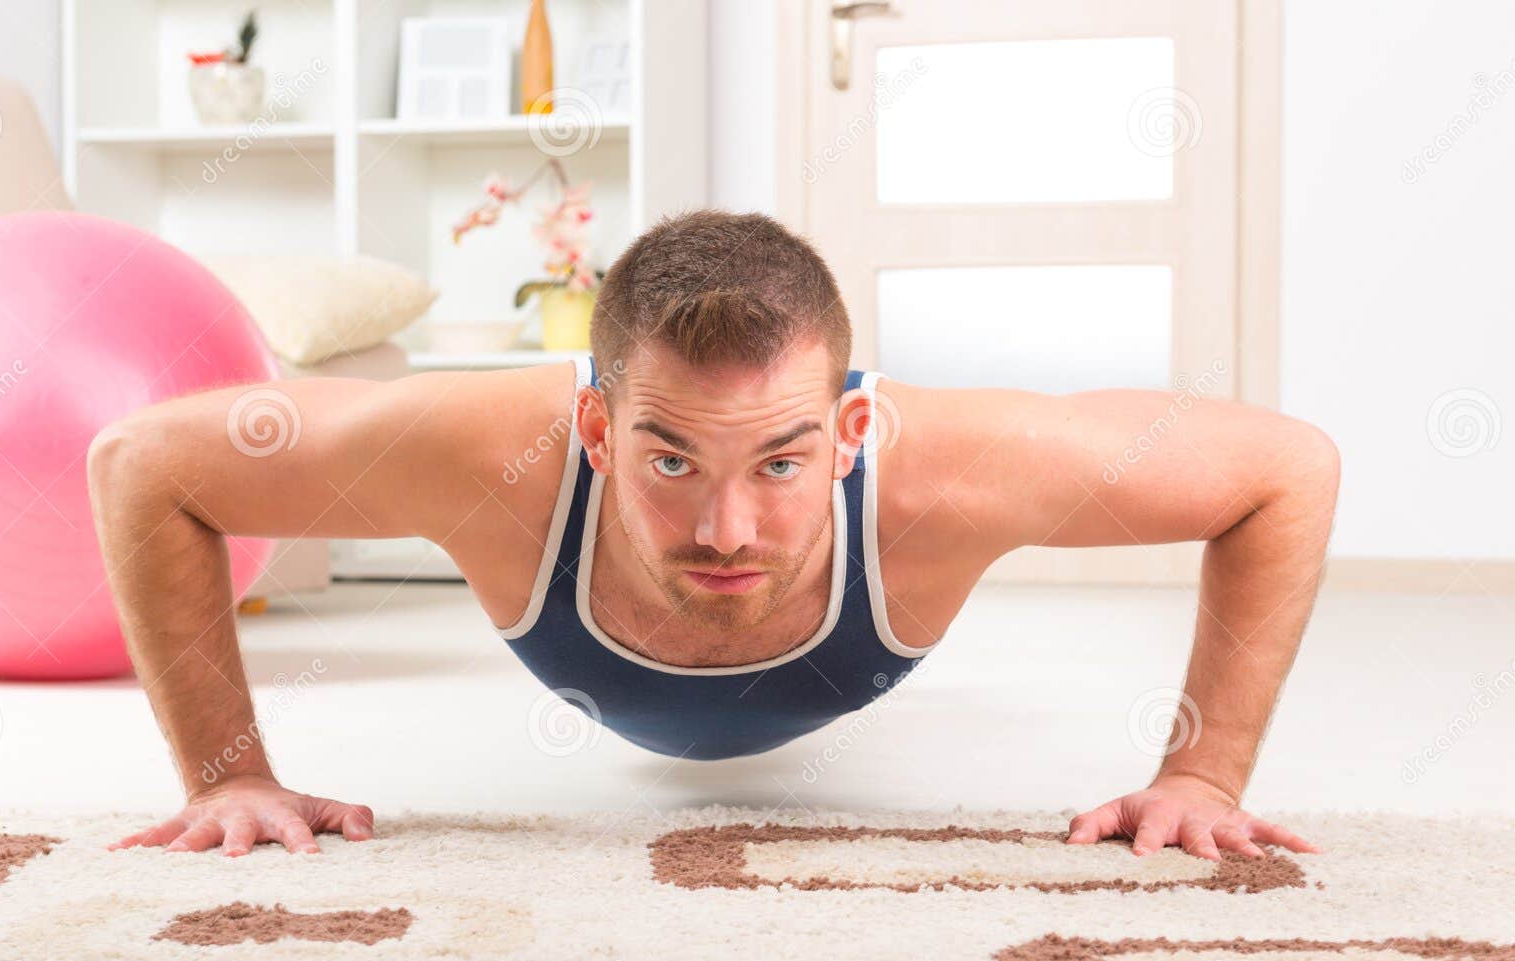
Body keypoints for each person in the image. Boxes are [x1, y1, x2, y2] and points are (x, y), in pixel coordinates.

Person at [89, 210, 1335, 863]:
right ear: (593, 427)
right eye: (670, 458)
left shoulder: (954, 472)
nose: (725, 528)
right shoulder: (481, 452)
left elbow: (1285, 469)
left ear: (851, 431)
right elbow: (144, 464)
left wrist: (1200, 777)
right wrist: (227, 776)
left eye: (782, 462)